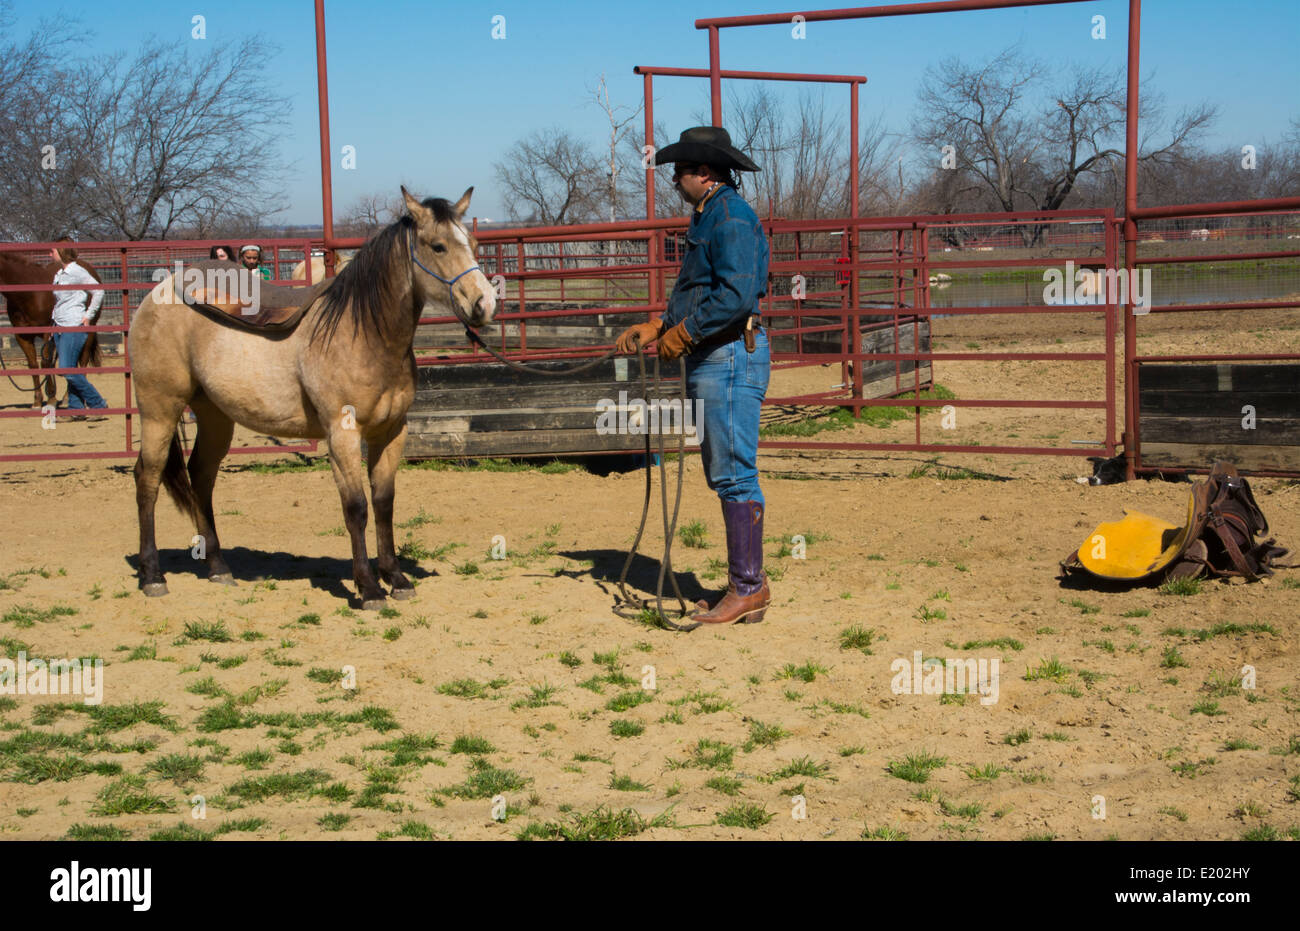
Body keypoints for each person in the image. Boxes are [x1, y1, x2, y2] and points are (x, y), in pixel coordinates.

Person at [615, 126, 772, 625]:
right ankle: (747, 586)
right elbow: (706, 290)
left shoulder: (729, 218)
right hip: (718, 355)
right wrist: (661, 324)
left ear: (703, 173)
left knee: (733, 473)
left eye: (680, 172)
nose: (676, 181)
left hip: (727, 356)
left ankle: (748, 587)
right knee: (725, 471)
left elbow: (735, 298)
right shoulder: (712, 215)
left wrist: (684, 334)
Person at [49, 240, 109, 419]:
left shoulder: (77, 271)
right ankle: (76, 409)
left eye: (52, 251)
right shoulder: (60, 273)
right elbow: (60, 301)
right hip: (60, 326)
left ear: (61, 252)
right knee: (71, 369)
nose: (49, 254)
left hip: (73, 325)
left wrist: (89, 315)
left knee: (67, 370)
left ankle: (98, 404)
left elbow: (98, 291)